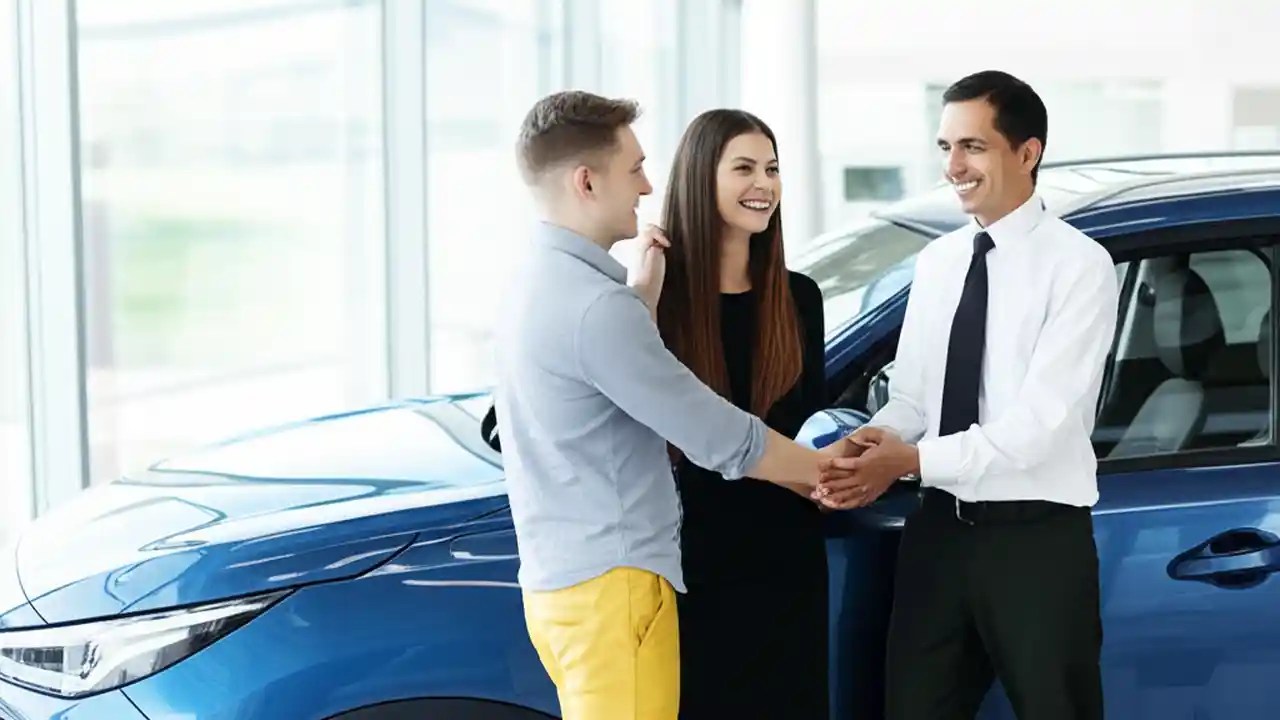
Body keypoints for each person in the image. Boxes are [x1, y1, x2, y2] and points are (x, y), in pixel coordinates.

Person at [494, 90, 857, 720]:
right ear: (587, 181)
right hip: (637, 581)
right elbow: (722, 437)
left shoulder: (547, 281)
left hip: (618, 579)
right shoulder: (603, 305)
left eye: (771, 169)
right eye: (634, 167)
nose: (644, 185)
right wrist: (841, 473)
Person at [817, 70, 1119, 719]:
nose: (953, 166)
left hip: (1035, 543)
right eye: (945, 147)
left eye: (972, 147)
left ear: (1027, 153)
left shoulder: (1079, 266)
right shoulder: (940, 261)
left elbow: (1040, 426)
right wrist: (879, 439)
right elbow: (915, 399)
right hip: (938, 538)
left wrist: (910, 461)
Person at [644, 109, 829, 719]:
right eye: (745, 168)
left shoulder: (799, 297)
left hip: (786, 564)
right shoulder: (657, 298)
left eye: (772, 169)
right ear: (701, 177)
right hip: (687, 564)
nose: (765, 185)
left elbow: (808, 424)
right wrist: (640, 298)